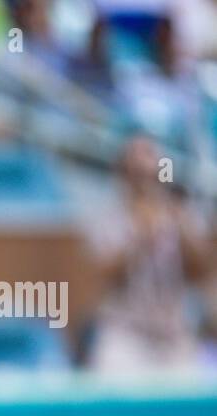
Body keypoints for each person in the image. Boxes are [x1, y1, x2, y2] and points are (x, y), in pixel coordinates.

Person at [87, 134, 211, 374]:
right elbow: (101, 278)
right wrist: (140, 240)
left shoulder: (180, 215)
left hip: (174, 333)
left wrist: (179, 223)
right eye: (137, 170)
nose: (145, 176)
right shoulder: (107, 217)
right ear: (124, 175)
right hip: (124, 333)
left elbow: (202, 271)